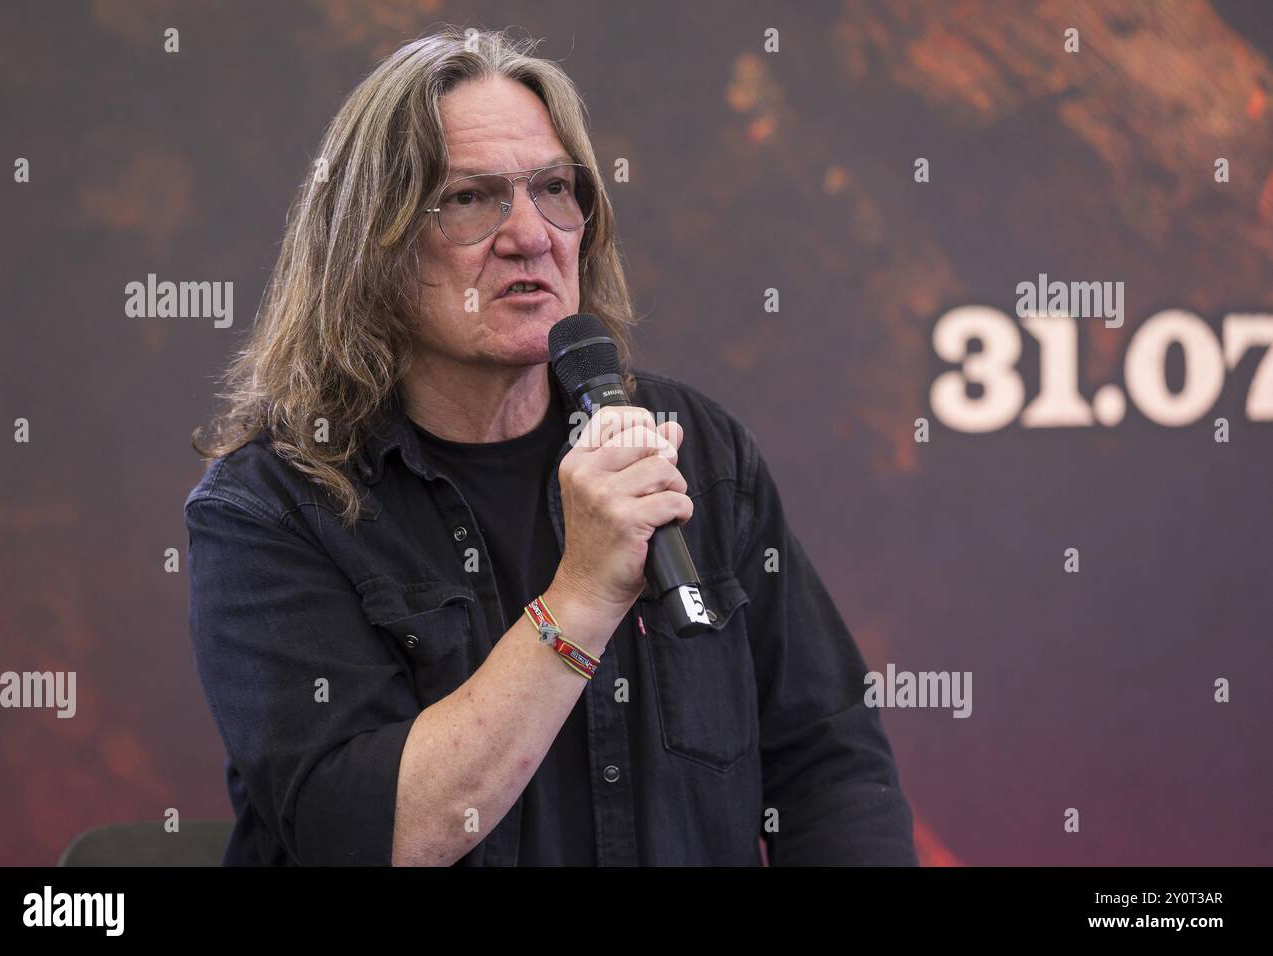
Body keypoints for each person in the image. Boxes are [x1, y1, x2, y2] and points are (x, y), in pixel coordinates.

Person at [185, 26, 916, 866]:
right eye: (469, 197)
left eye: (555, 191)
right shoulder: (273, 506)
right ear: (370, 244)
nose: (529, 234)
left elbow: (833, 767)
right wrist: (583, 595)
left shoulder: (696, 451)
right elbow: (372, 832)